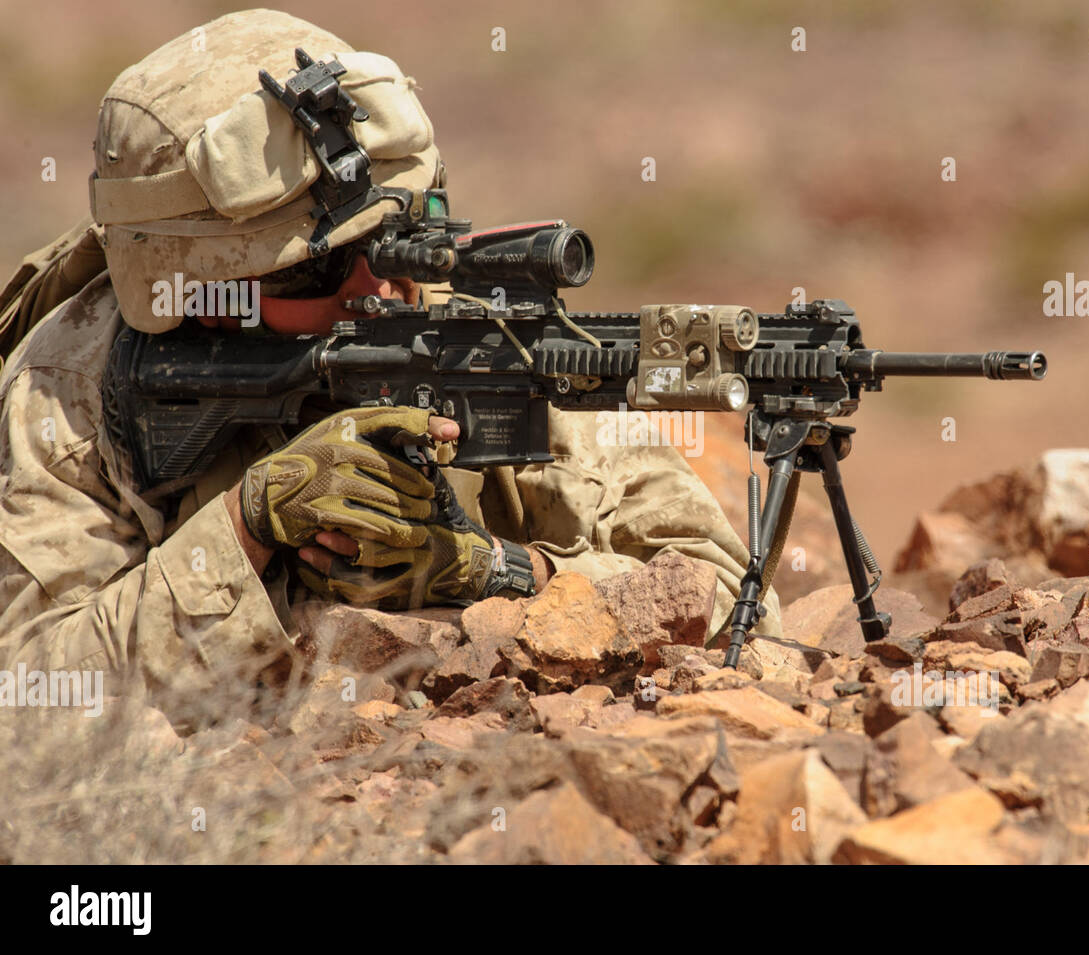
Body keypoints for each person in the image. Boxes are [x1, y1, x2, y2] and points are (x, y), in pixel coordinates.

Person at [0, 9, 780, 729]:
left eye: (394, 241)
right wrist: (248, 525)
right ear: (202, 296)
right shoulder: (71, 391)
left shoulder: (466, 335)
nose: (376, 290)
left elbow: (732, 602)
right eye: (313, 272)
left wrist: (501, 572)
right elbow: (26, 700)